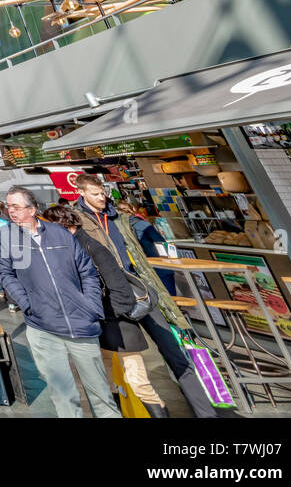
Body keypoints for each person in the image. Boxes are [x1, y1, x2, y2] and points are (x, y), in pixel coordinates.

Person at [71, 175, 220, 417]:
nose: (102, 197)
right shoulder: (76, 220)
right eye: (96, 193)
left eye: (103, 192)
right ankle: (148, 410)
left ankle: (205, 412)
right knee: (126, 362)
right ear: (82, 193)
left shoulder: (120, 218)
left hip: (142, 291)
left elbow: (148, 246)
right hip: (112, 298)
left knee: (173, 350)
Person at [0, 188, 120, 418]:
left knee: (101, 394)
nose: (11, 211)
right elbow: (4, 273)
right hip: (43, 326)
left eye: (16, 207)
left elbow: (87, 271)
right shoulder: (5, 236)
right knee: (63, 396)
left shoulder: (60, 234)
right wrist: (27, 303)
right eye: (8, 206)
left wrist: (90, 305)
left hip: (81, 323)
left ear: (32, 210)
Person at [43, 206, 169, 417]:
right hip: (100, 328)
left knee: (138, 382)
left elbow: (121, 292)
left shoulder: (93, 248)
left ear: (64, 225)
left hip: (119, 326)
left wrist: (101, 313)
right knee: (109, 384)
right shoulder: (72, 248)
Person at [117, 200, 176, 295]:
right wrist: (174, 258)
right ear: (133, 209)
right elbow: (160, 241)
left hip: (138, 266)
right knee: (169, 292)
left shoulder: (119, 227)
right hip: (157, 264)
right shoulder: (142, 224)